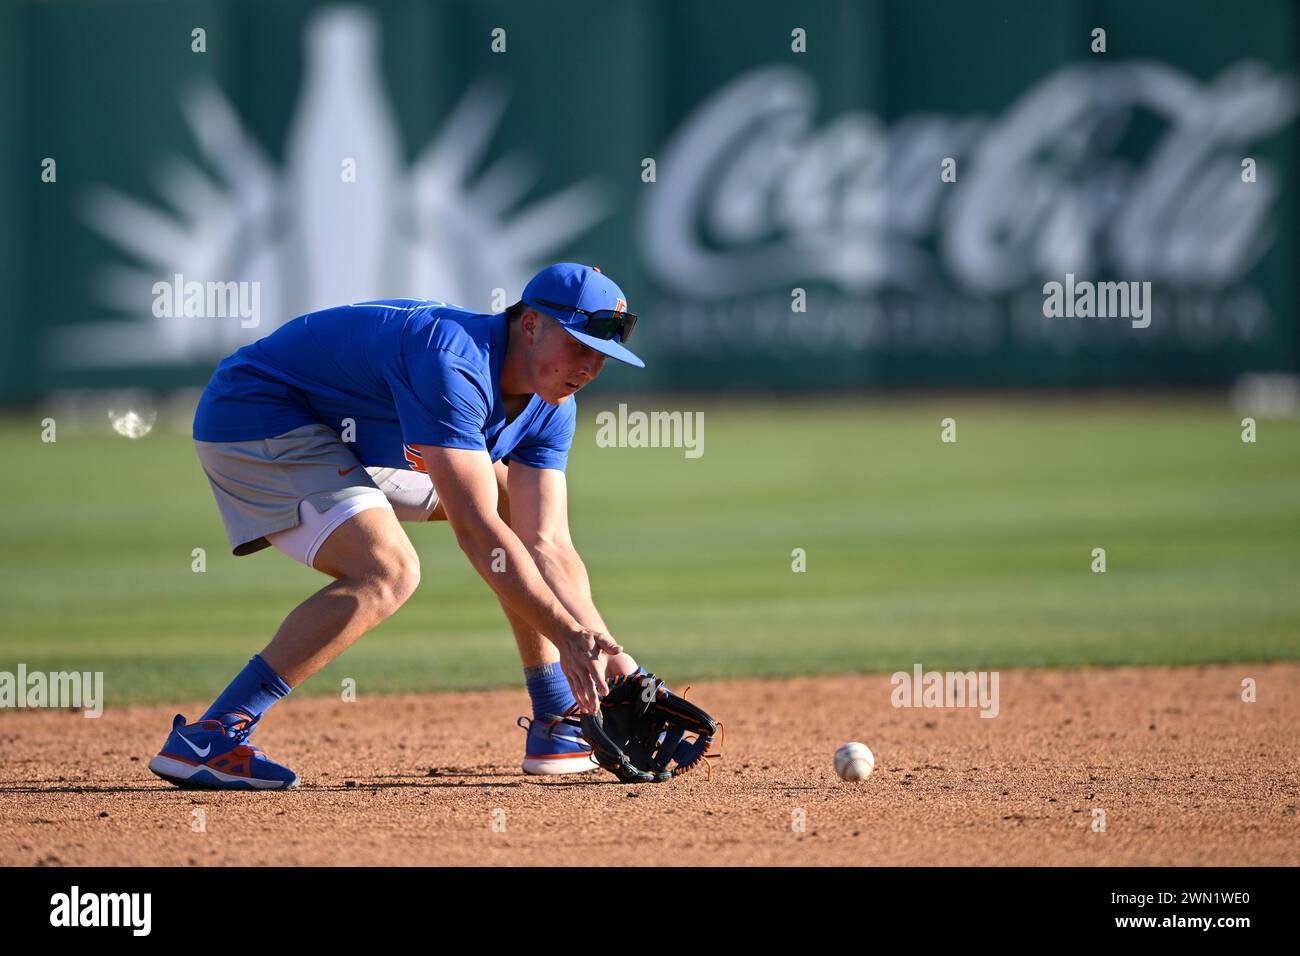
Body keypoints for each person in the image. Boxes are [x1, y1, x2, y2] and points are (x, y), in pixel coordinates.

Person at [148, 263, 645, 789]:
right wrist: (566, 634)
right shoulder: (452, 360)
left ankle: (556, 718)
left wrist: (612, 657)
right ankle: (212, 734)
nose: (590, 366)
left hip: (345, 436)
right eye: (580, 346)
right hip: (258, 415)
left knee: (509, 508)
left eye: (603, 356)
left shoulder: (552, 404)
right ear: (530, 326)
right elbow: (477, 534)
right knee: (387, 571)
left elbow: (548, 542)